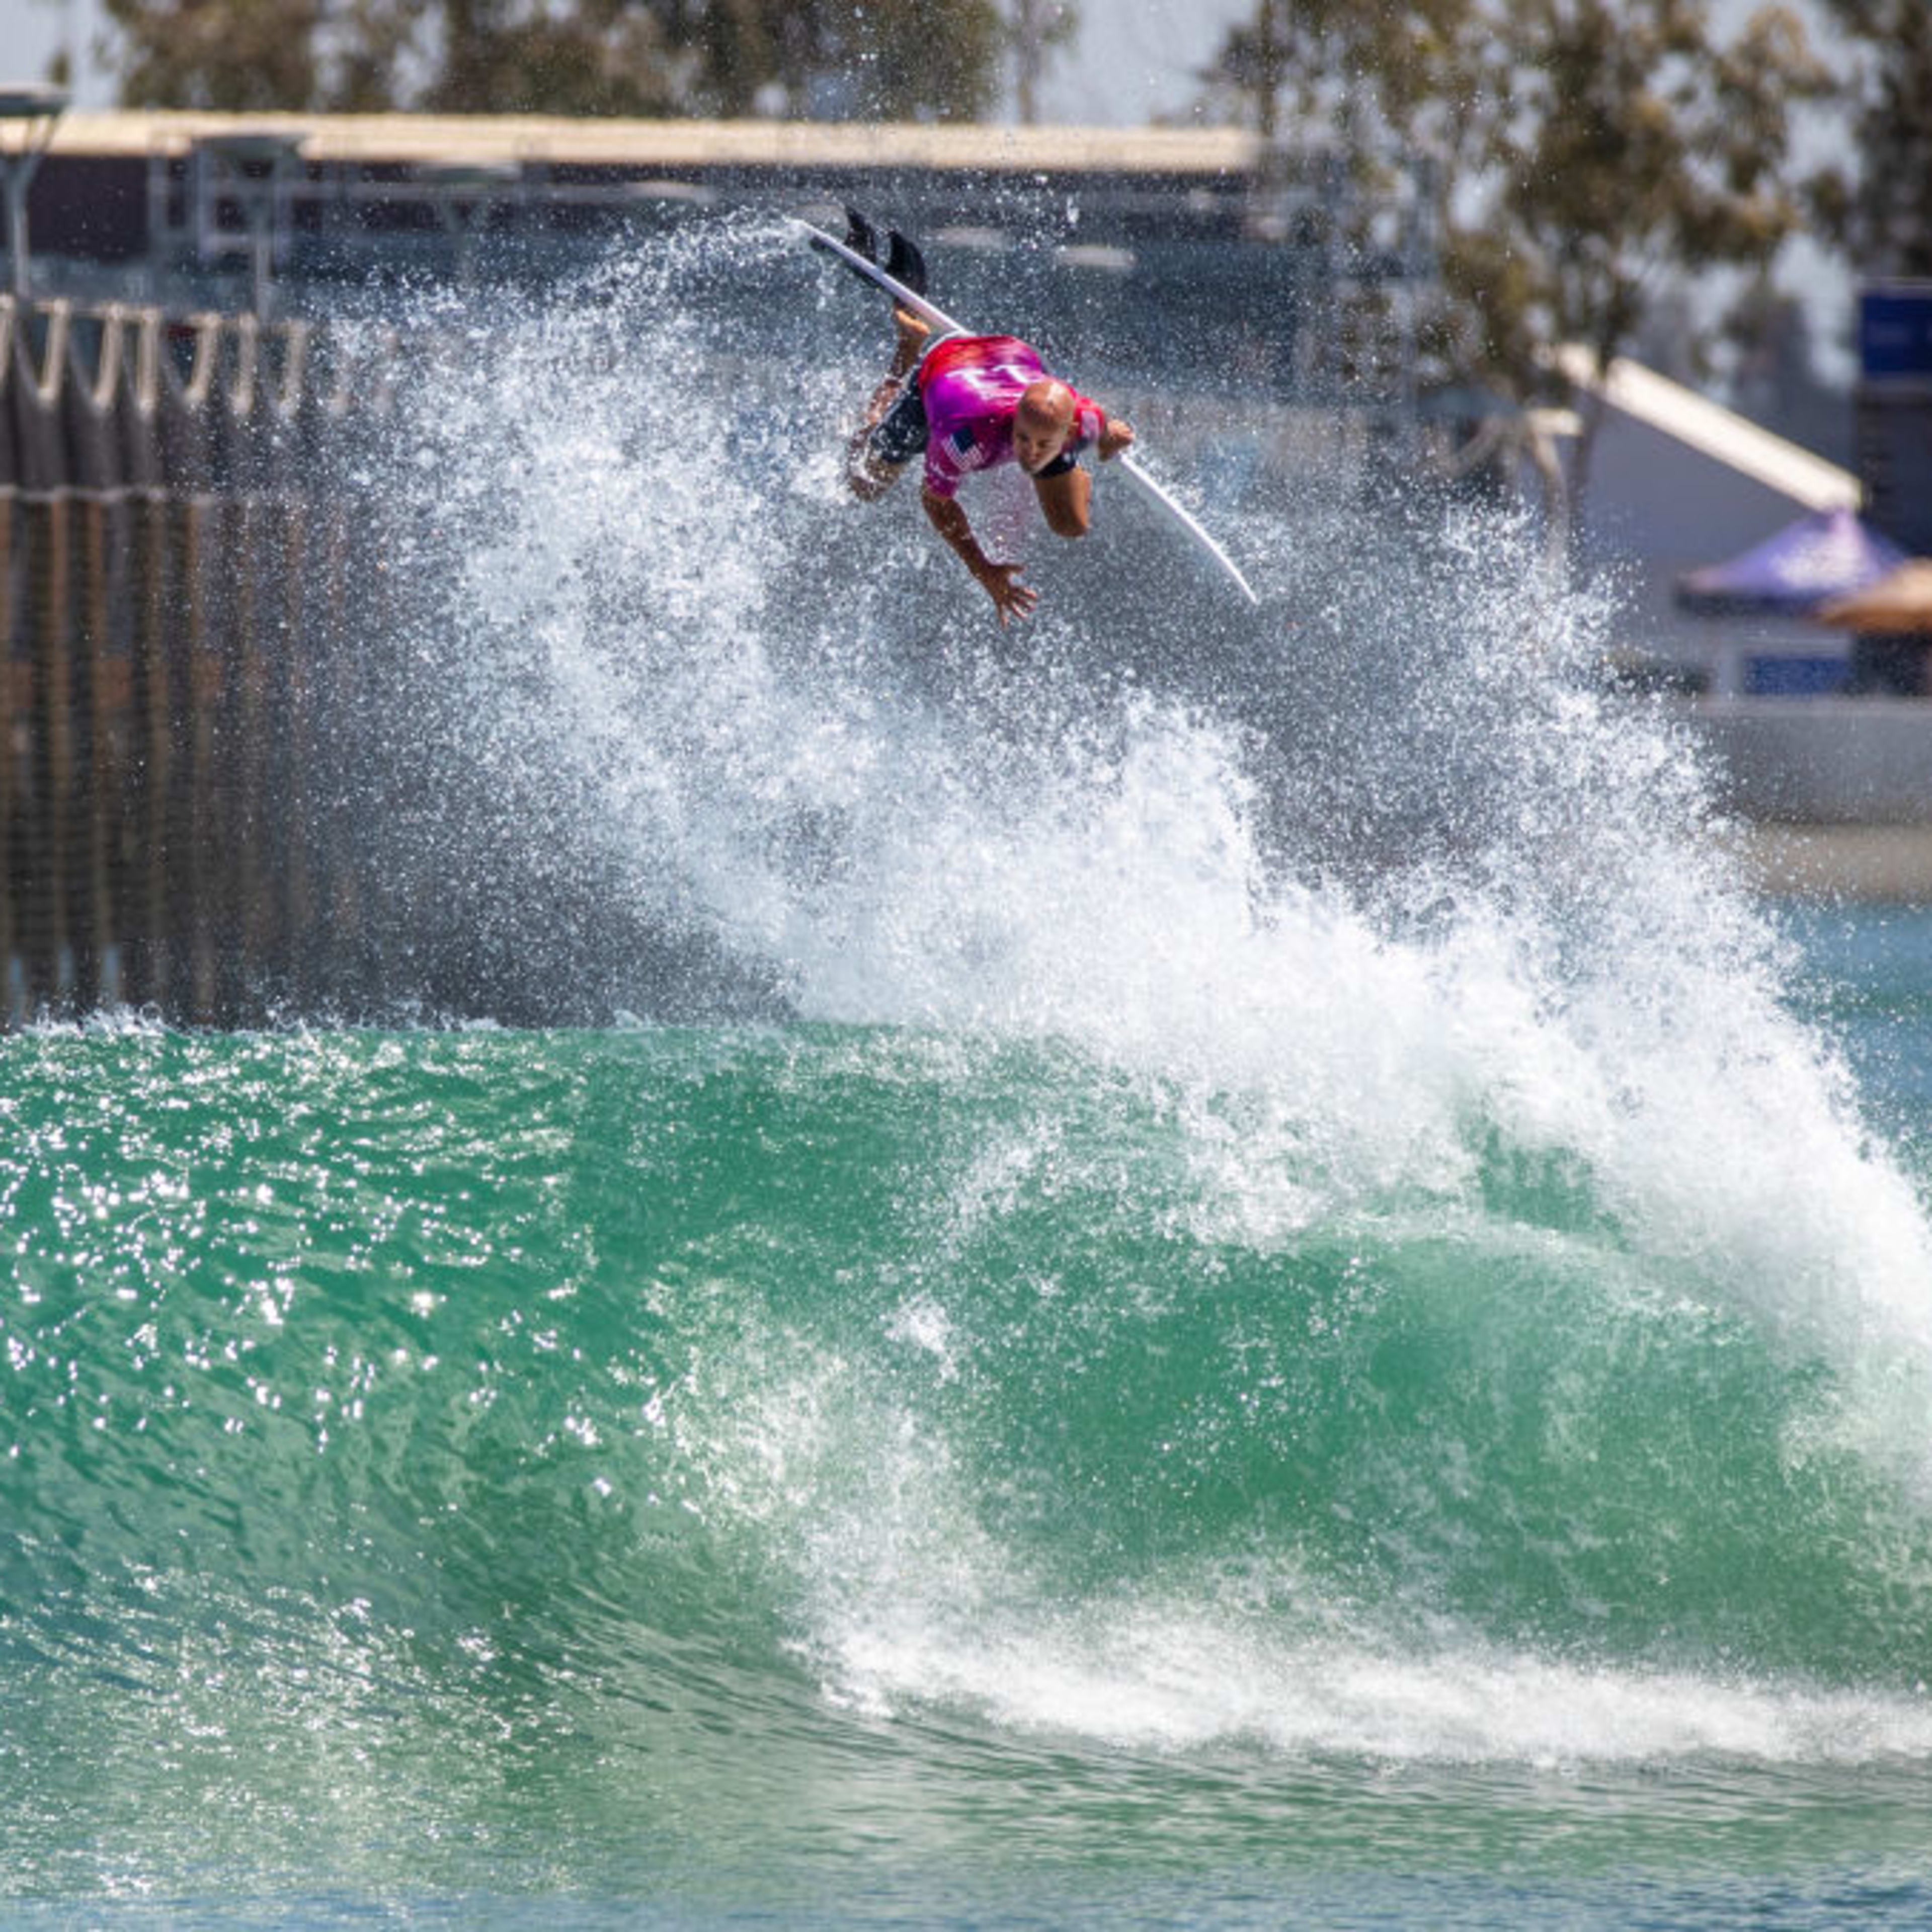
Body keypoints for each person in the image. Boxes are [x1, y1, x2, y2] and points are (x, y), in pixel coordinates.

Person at [848, 306, 1136, 625]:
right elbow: (934, 500)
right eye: (1022, 439)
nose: (1030, 453)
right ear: (1013, 425)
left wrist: (1108, 439)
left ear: (1071, 432)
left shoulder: (1086, 421)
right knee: (865, 482)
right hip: (945, 369)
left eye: (1042, 445)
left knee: (1071, 525)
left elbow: (1101, 425)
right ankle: (908, 347)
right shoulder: (967, 441)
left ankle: (1070, 465)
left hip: (1013, 355)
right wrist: (982, 568)